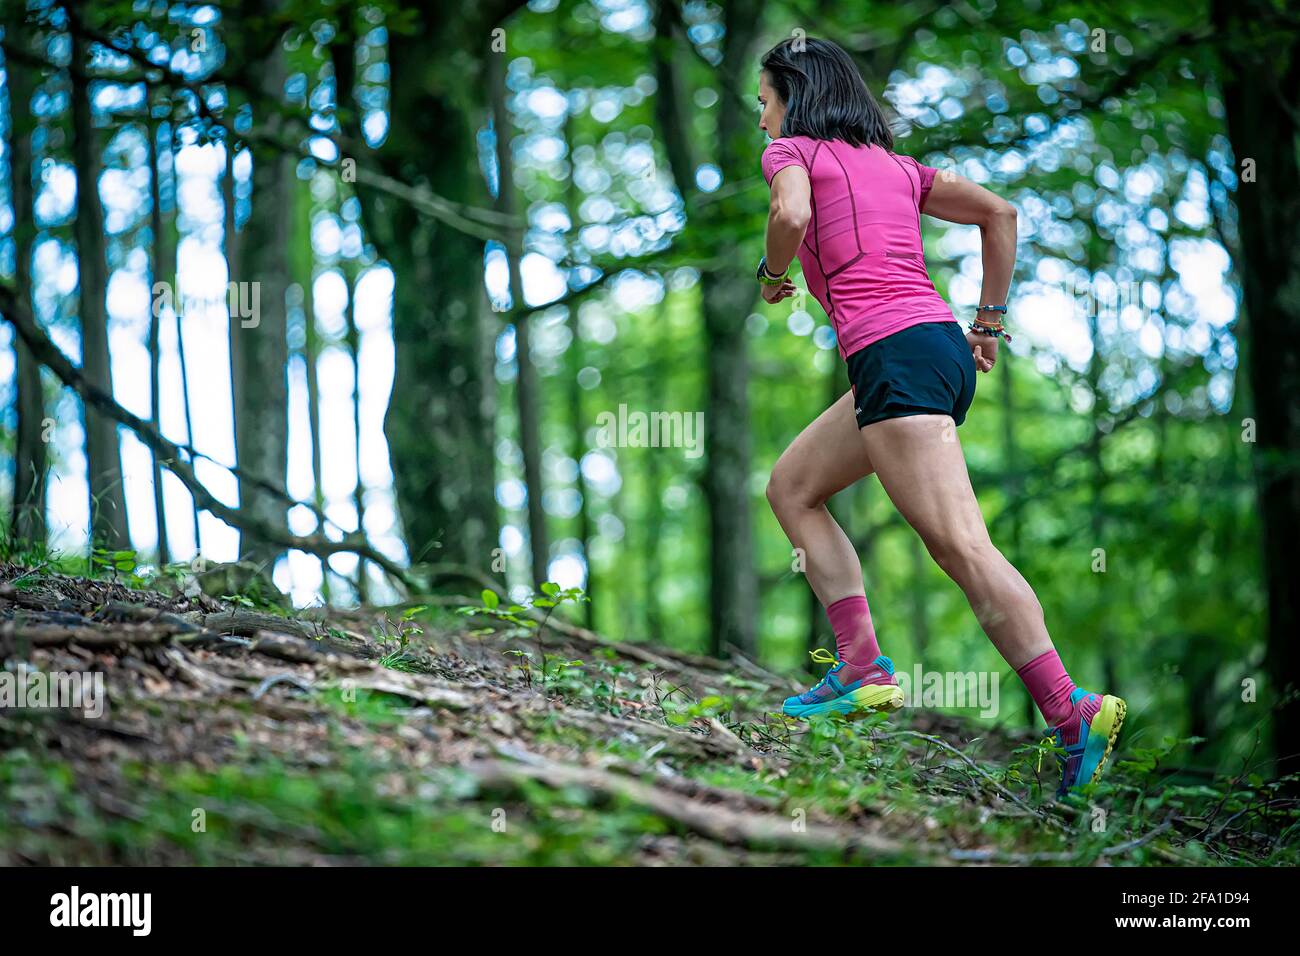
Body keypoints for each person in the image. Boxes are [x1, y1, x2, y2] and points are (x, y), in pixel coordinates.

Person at [755, 36, 1125, 797]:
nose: (761, 119)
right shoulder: (902, 169)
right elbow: (999, 212)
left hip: (896, 357)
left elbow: (790, 214)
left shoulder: (793, 152)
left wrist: (771, 274)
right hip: (932, 352)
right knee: (792, 486)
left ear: (793, 96)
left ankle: (1071, 709)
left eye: (763, 101)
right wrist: (986, 324)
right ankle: (861, 666)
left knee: (962, 548)